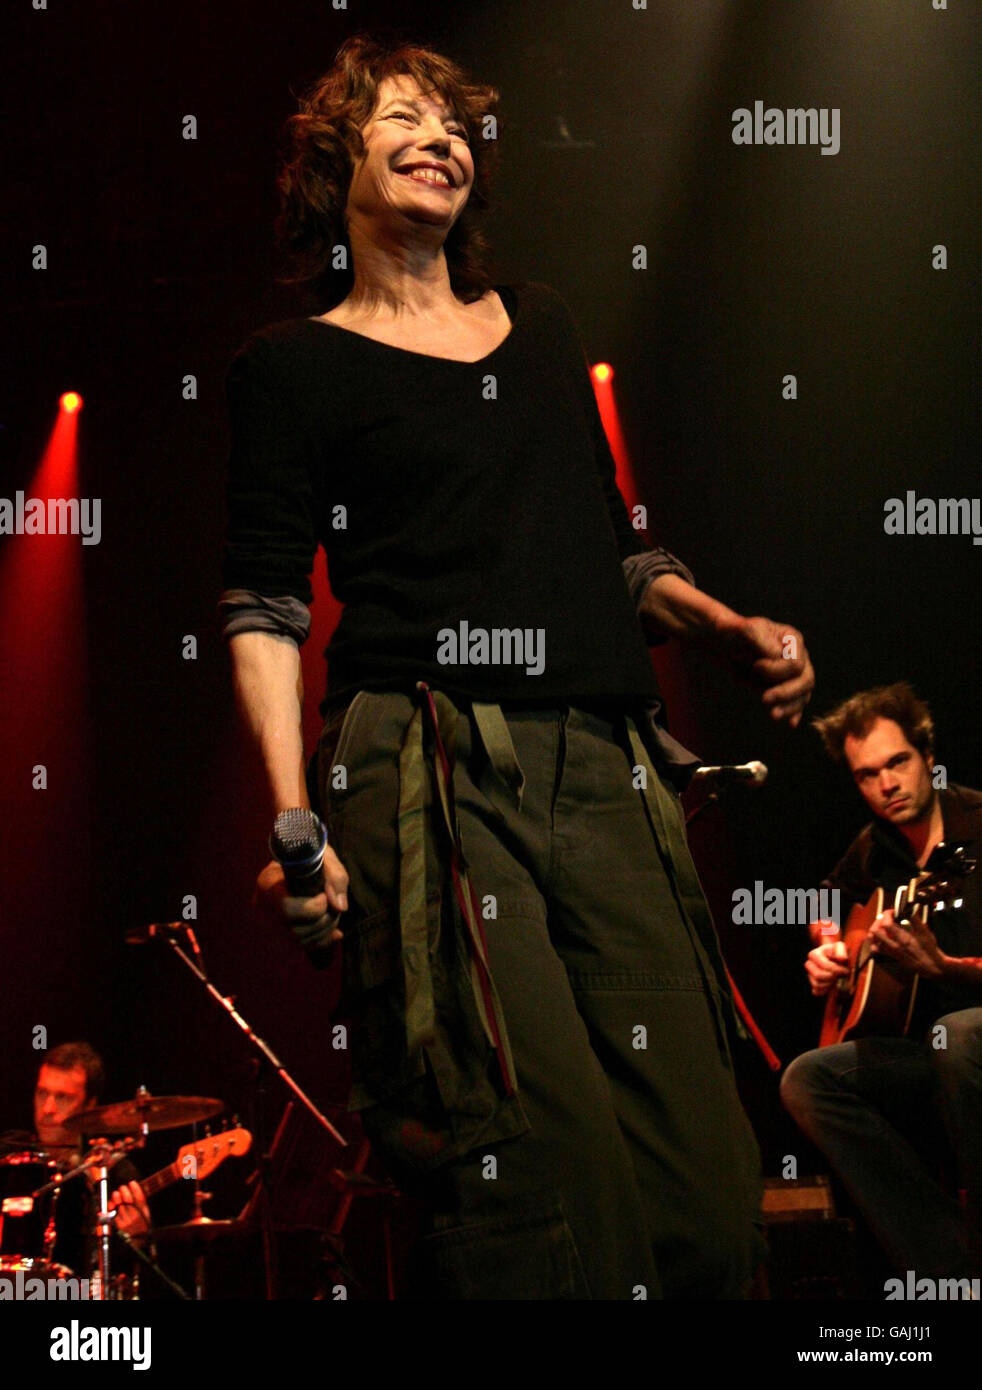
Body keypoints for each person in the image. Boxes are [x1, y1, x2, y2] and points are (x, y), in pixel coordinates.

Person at [218, 33, 814, 1300]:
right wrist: (294, 822)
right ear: (338, 159)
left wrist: (726, 624)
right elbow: (266, 607)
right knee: (541, 1181)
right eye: (403, 116)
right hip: (427, 769)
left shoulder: (537, 329)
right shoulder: (294, 366)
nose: (441, 135)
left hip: (601, 765)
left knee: (707, 1196)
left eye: (454, 121)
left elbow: (615, 555)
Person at [780, 683, 982, 1280]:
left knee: (960, 1036)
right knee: (806, 1079)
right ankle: (949, 1270)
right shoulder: (875, 851)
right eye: (867, 775)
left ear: (927, 756)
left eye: (898, 763)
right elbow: (823, 906)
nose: (887, 784)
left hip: (972, 1040)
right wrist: (829, 951)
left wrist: (944, 969)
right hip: (925, 1055)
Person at [0, 1042, 150, 1278]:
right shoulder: (10, 1157)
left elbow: (126, 1282)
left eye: (63, 1098)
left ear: (90, 1106)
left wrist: (137, 1241)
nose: (47, 1108)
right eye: (42, 1093)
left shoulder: (114, 1173)